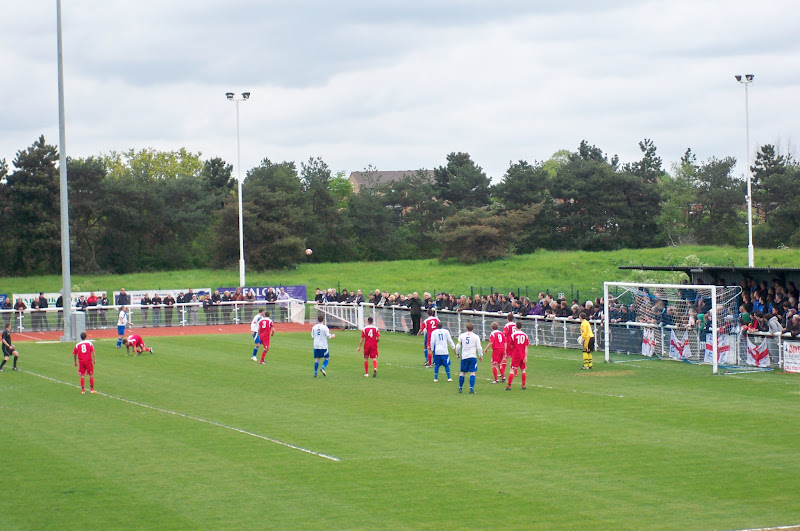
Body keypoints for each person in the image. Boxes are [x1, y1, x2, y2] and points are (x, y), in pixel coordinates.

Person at [456, 322, 482, 394]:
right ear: (473, 328)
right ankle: (471, 389)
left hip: (464, 356)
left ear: (466, 328)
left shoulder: (462, 336)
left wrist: (458, 353)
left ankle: (460, 388)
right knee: (472, 372)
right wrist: (480, 355)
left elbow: (458, 346)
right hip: (472, 356)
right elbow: (479, 347)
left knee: (462, 372)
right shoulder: (476, 336)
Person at [506, 321, 529, 391]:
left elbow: (511, 345)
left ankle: (509, 386)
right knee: (523, 369)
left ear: (515, 326)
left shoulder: (513, 335)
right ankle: (523, 385)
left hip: (516, 354)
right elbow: (526, 347)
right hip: (522, 354)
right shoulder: (525, 335)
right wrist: (526, 356)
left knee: (512, 369)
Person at [501, 312, 516, 381]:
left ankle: (502, 372)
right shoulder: (515, 325)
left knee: (505, 356)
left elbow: (504, 333)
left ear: (507, 319)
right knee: (514, 356)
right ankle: (515, 372)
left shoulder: (507, 325)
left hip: (509, 342)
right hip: (515, 342)